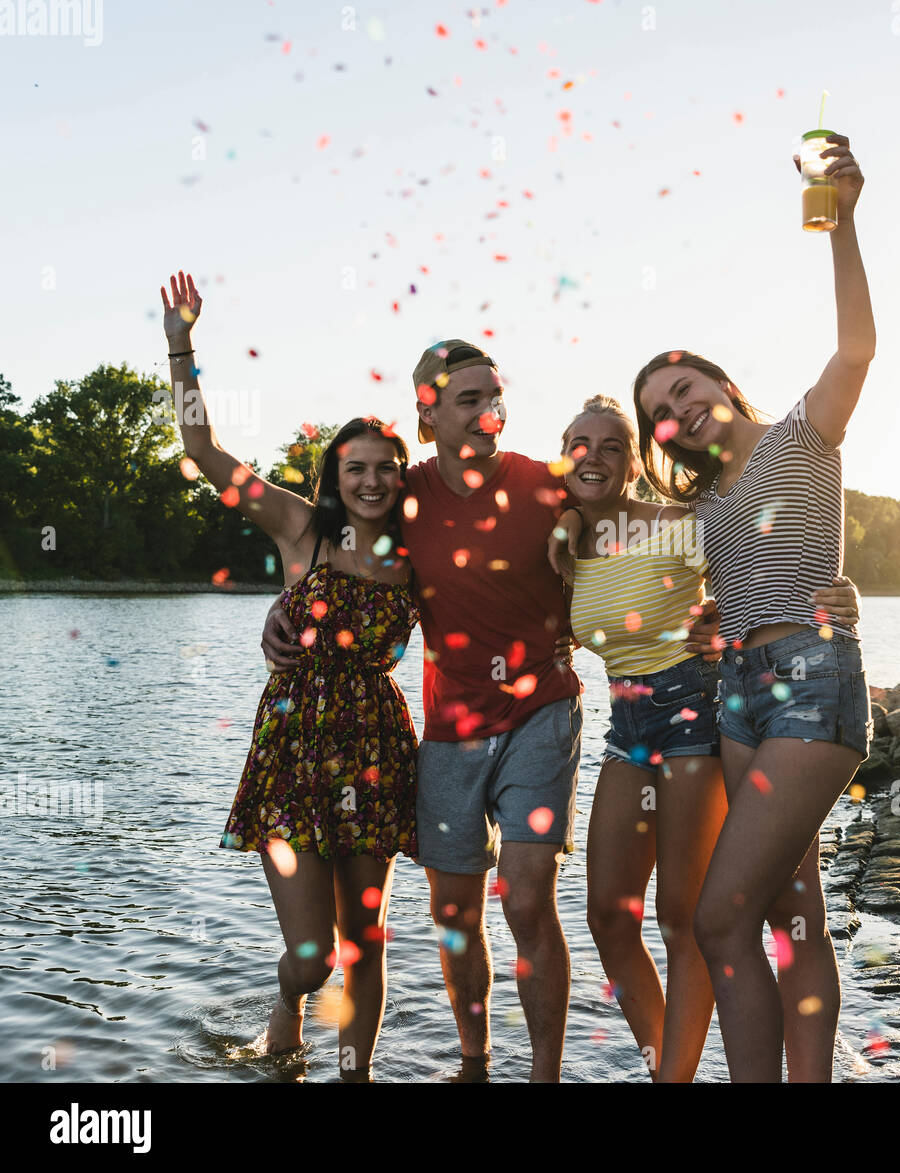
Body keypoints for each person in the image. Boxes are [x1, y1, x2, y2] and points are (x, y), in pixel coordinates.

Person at [262, 340, 723, 1082]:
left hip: (542, 712)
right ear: (429, 412)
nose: (487, 410)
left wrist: (715, 614)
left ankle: (542, 1074)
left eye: (493, 395)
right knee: (454, 916)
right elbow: (327, 554)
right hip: (448, 733)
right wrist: (283, 613)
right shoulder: (399, 492)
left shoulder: (550, 485)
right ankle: (474, 1064)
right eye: (468, 398)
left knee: (529, 895)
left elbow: (651, 529)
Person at [625, 133, 876, 1081]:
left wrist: (842, 219)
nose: (677, 411)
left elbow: (858, 343)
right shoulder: (698, 506)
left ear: (721, 383)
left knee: (720, 913)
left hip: (813, 685)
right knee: (788, 913)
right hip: (739, 696)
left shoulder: (804, 434)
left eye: (685, 387)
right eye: (661, 409)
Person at [159, 270, 419, 1082]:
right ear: (334, 476)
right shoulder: (301, 530)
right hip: (294, 750)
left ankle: (355, 1074)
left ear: (401, 477)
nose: (372, 481)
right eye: (357, 468)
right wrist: (182, 344)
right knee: (313, 954)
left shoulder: (416, 562)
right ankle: (289, 999)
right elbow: (203, 452)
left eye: (386, 468)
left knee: (364, 942)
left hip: (376, 750)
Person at [553, 396, 860, 1082]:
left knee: (682, 916)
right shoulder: (564, 537)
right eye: (580, 443)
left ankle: (676, 1076)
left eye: (611, 444)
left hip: (697, 708)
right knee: (607, 912)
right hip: (625, 724)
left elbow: (766, 557)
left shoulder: (678, 523)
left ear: (635, 462)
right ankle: (667, 1060)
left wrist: (835, 596)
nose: (594, 455)